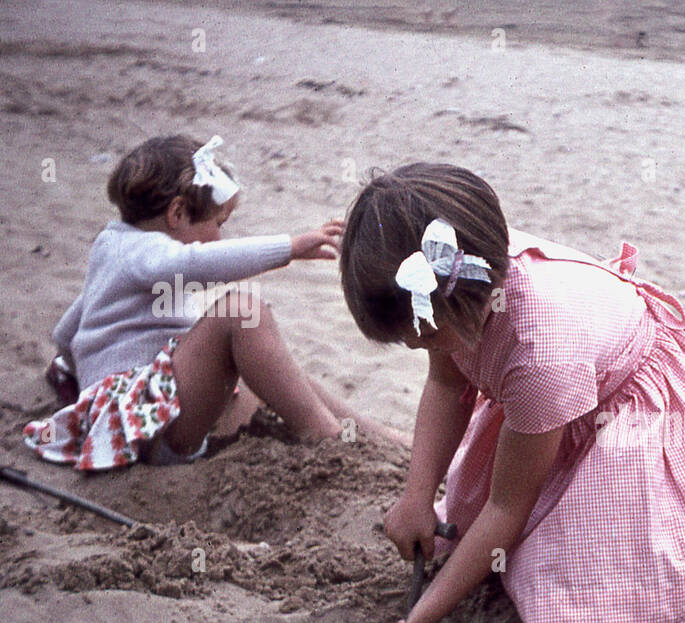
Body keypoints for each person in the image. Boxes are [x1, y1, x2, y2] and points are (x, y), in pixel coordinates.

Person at [339, 162, 685, 623]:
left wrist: (425, 618)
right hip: (551, 399)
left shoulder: (539, 352)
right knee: (490, 533)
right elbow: (446, 382)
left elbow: (508, 506)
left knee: (573, 586)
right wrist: (418, 495)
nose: (421, 346)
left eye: (427, 336)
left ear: (458, 304)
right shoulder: (459, 274)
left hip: (628, 417)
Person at [24, 134, 404, 470]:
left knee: (273, 367)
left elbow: (67, 332)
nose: (219, 238)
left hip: (155, 416)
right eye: (217, 224)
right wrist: (288, 247)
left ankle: (374, 435)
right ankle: (329, 440)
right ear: (176, 213)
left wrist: (74, 375)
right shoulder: (141, 250)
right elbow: (193, 263)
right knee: (244, 312)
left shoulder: (115, 250)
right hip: (149, 425)